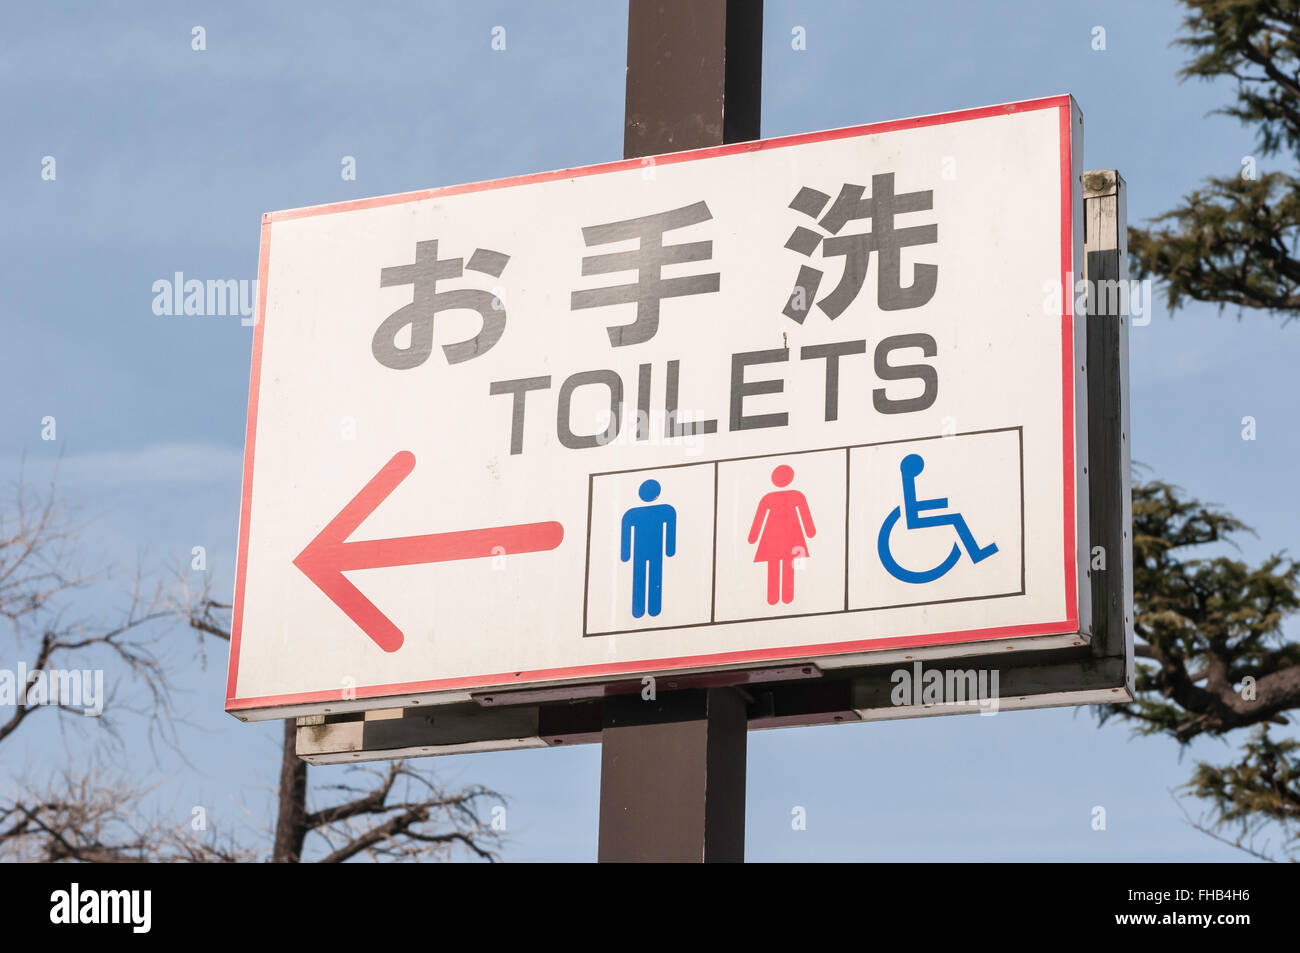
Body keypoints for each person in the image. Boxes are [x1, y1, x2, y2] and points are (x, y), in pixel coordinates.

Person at [747, 464, 816, 605]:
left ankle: (777, 598)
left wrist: (753, 537)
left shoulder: (770, 497)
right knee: (786, 565)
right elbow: (805, 516)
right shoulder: (796, 495)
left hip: (774, 535)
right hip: (788, 534)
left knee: (777, 565)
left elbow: (759, 518)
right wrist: (810, 532)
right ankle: (785, 597)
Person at [620, 479, 676, 618]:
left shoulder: (634, 513)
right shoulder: (665, 510)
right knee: (646, 576)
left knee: (646, 576)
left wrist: (625, 554)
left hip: (646, 550)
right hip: (649, 550)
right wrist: (670, 550)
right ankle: (648, 609)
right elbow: (671, 528)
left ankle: (650, 609)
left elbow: (671, 528)